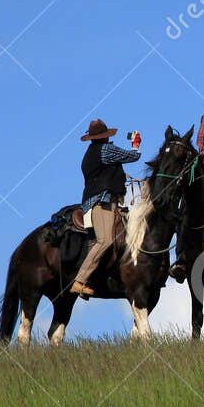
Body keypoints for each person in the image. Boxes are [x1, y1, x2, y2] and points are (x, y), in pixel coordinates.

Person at [70, 120, 143, 298]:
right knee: (105, 241)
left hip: (93, 202)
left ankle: (95, 278)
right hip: (102, 202)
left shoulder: (90, 154)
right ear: (104, 137)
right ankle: (80, 280)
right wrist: (135, 144)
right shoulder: (105, 150)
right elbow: (133, 157)